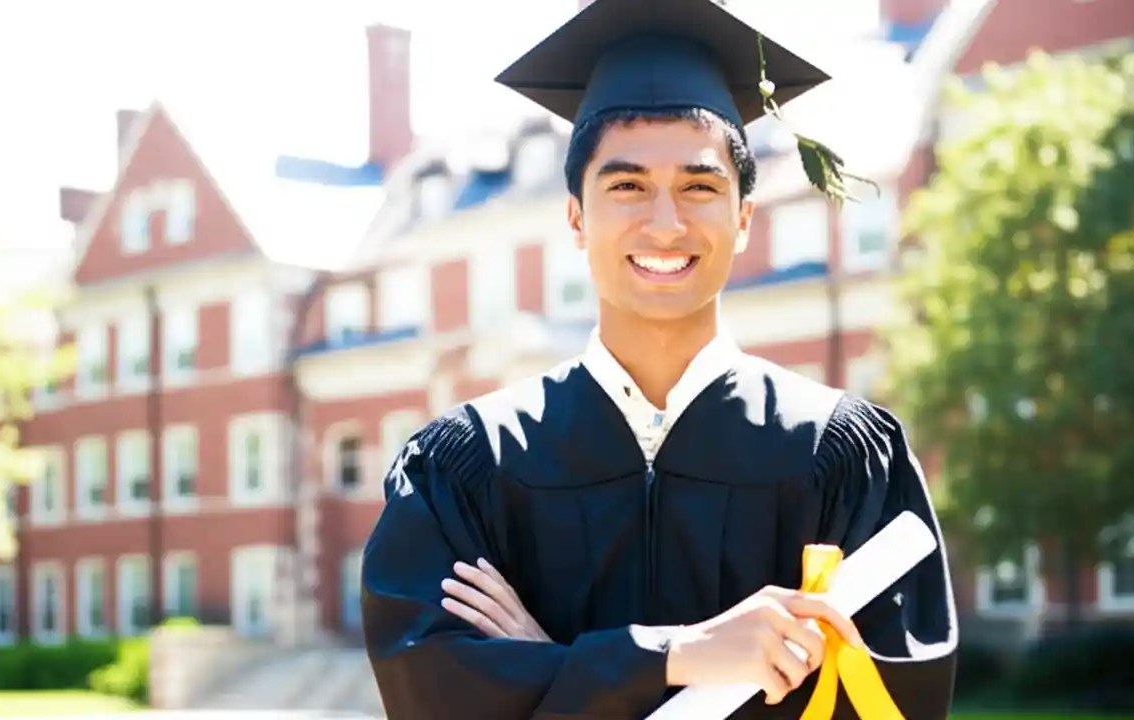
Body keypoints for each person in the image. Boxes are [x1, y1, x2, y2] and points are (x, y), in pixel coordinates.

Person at [360, 0, 959, 717]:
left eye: (699, 186)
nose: (666, 223)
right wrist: (686, 653)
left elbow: (895, 700)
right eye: (628, 186)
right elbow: (432, 694)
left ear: (743, 216)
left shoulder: (845, 458)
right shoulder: (467, 467)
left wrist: (550, 670)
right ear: (576, 217)